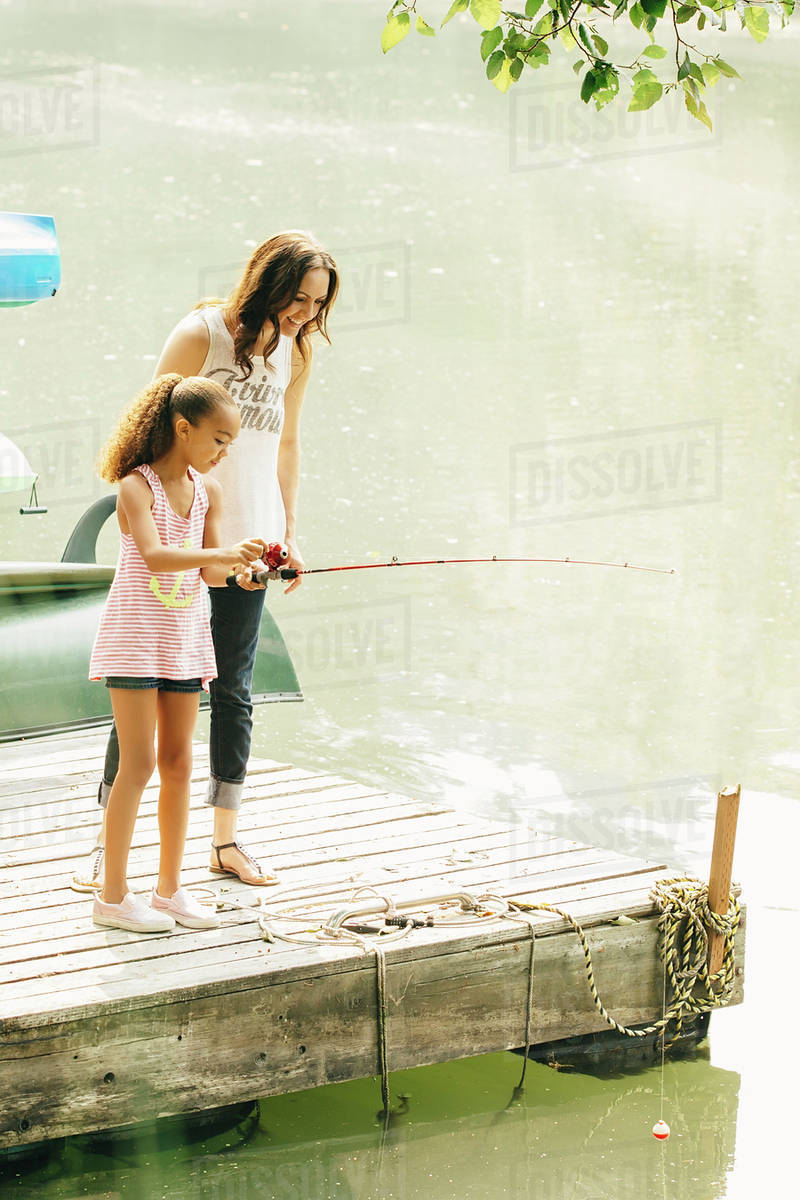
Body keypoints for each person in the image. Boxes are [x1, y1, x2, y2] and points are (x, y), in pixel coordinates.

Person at [74, 230, 339, 892]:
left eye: (317, 303)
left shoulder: (297, 353)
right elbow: (147, 433)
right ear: (266, 281)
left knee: (234, 690)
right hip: (180, 540)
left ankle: (225, 840)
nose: (304, 313)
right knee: (151, 684)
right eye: (297, 297)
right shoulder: (201, 335)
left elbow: (288, 445)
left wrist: (289, 533)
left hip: (251, 543)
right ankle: (109, 847)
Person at [88, 374, 265, 932]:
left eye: (230, 443)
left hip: (185, 640)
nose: (223, 452)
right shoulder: (135, 487)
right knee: (136, 765)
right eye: (217, 439)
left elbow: (209, 570)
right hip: (135, 639)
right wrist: (221, 551)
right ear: (183, 429)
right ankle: (112, 896)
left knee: (179, 765)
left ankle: (169, 890)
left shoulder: (207, 492)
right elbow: (157, 555)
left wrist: (243, 571)